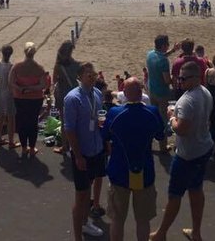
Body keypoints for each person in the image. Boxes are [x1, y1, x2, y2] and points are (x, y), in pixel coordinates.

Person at [151, 61, 210, 241]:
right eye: (178, 77)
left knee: (174, 195)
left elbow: (181, 129)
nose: (179, 81)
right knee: (196, 189)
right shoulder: (205, 93)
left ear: (195, 78)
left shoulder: (187, 100)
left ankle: (161, 233)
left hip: (187, 154)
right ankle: (196, 232)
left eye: (183, 78)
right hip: (203, 147)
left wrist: (171, 117)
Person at [104, 78, 163, 241]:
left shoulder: (115, 113)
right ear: (141, 92)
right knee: (143, 220)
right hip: (144, 171)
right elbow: (160, 135)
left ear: (126, 95)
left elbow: (105, 136)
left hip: (120, 171)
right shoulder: (152, 112)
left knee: (117, 219)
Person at [64, 62, 107, 239]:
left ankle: (84, 223)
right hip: (83, 153)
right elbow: (69, 129)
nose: (92, 76)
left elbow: (98, 117)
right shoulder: (72, 98)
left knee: (87, 190)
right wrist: (78, 155)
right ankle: (77, 236)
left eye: (94, 73)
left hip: (96, 149)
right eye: (88, 73)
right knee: (81, 195)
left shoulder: (96, 93)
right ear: (80, 77)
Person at [11, 42, 50, 155]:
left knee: (22, 122)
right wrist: (31, 89)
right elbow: (43, 85)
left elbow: (11, 82)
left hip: (20, 97)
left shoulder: (17, 66)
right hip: (35, 99)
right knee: (33, 122)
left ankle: (24, 147)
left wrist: (22, 89)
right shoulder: (39, 68)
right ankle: (32, 148)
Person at [146, 35, 178, 149]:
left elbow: (160, 56)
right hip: (161, 93)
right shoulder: (164, 61)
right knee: (163, 119)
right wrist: (174, 79)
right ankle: (163, 147)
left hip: (151, 89)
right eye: (168, 44)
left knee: (153, 116)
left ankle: (150, 141)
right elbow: (166, 81)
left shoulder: (150, 54)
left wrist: (173, 51)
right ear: (164, 45)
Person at [0, 44, 17, 150]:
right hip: (8, 93)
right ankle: (11, 141)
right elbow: (12, 82)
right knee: (11, 118)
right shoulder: (11, 66)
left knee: (0, 116)